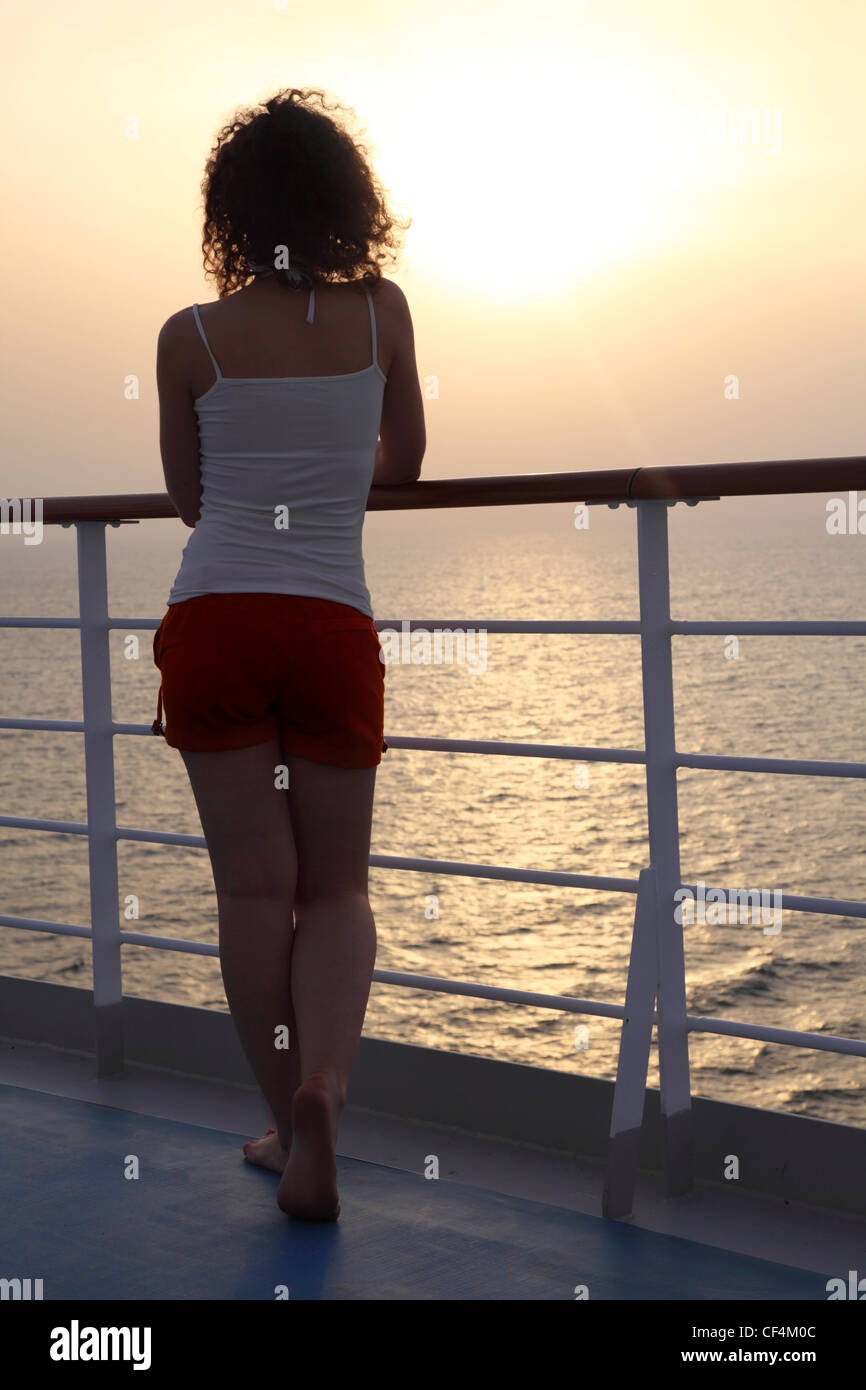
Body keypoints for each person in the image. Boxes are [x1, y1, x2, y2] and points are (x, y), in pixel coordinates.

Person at [152, 87, 426, 1220]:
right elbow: (401, 463)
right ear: (344, 203)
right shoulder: (382, 314)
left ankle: (280, 1117)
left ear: (230, 212)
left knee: (254, 891)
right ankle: (326, 1085)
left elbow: (188, 498)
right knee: (338, 889)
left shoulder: (188, 338)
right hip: (327, 622)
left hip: (217, 616)